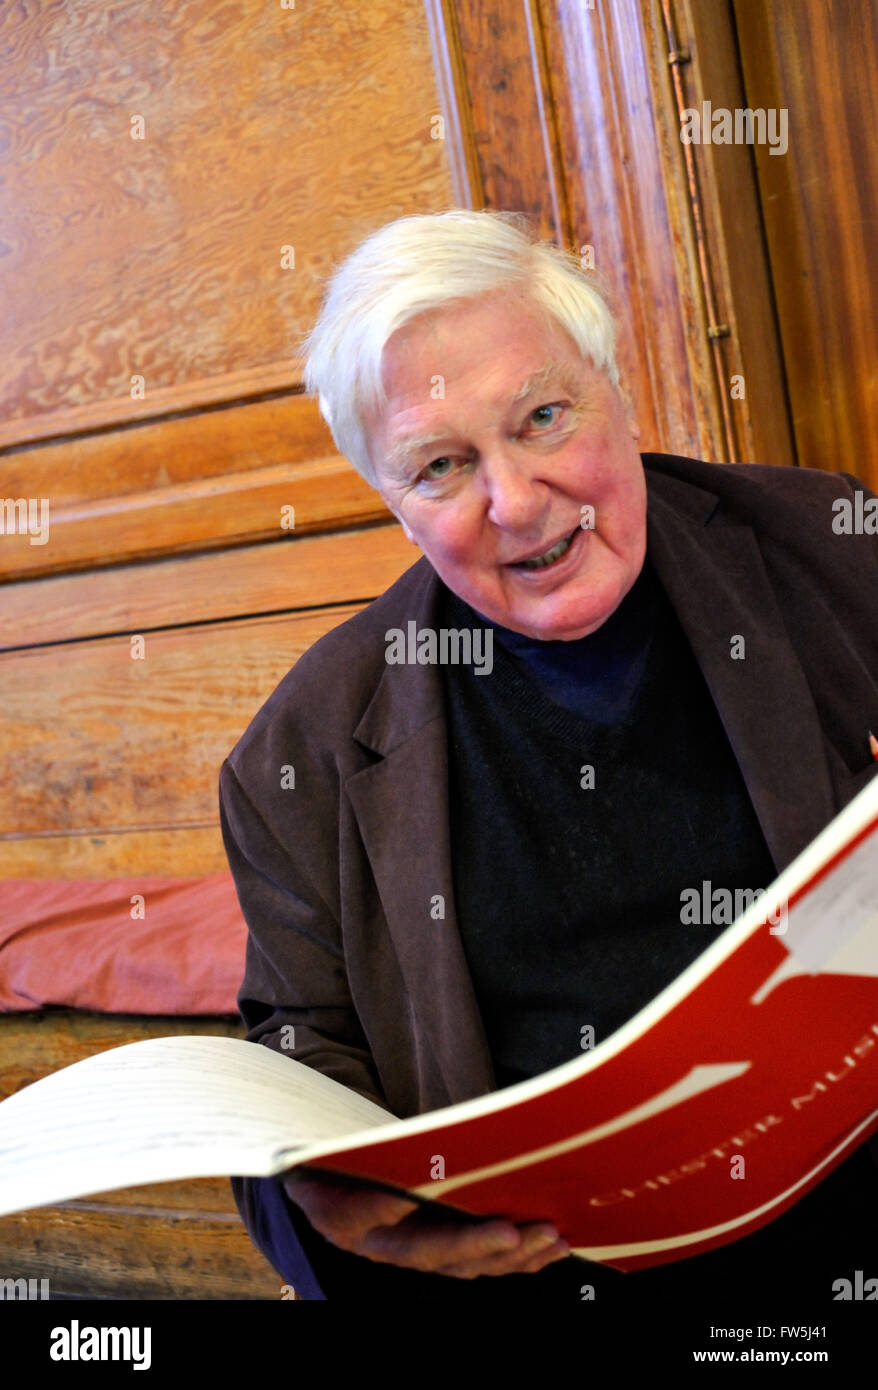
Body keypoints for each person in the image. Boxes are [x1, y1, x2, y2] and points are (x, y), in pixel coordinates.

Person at [219, 208, 878, 1303]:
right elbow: (296, 1053)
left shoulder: (833, 550)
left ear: (614, 388)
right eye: (439, 466)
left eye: (542, 417)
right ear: (393, 501)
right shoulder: (303, 751)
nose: (515, 501)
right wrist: (325, 1203)